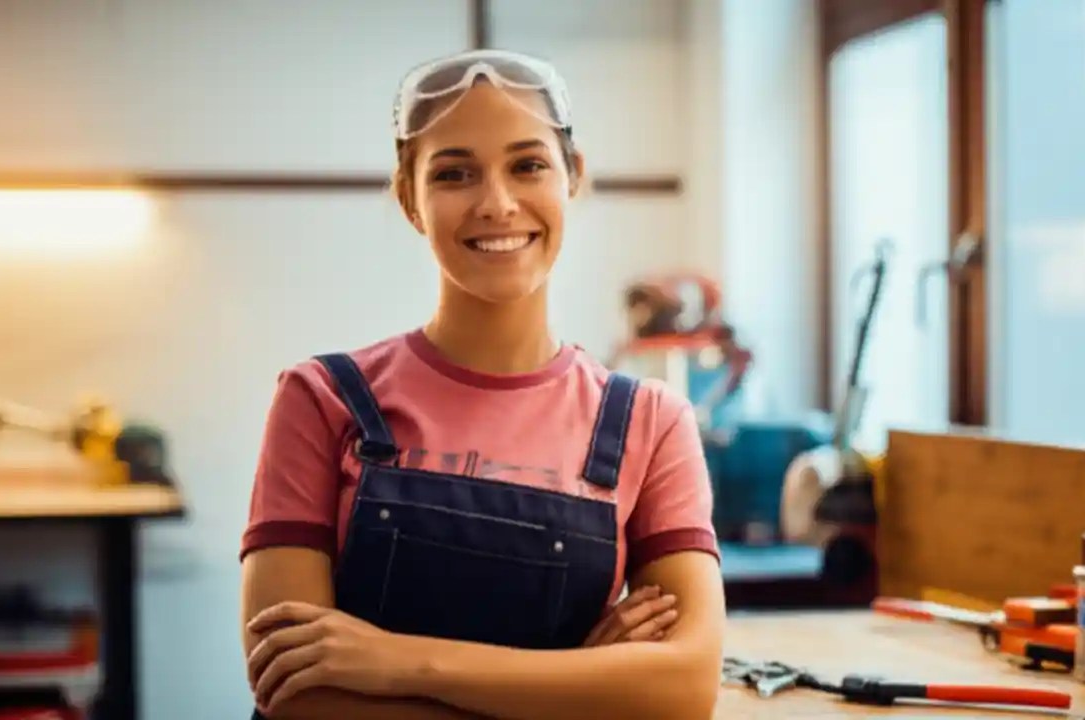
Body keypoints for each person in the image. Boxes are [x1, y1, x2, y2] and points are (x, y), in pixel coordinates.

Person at [239, 49, 725, 720]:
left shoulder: (650, 420)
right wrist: (583, 686)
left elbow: (685, 690)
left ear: (572, 178)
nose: (497, 203)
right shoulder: (321, 399)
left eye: (527, 165)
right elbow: (300, 692)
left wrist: (398, 662)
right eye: (455, 173)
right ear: (410, 196)